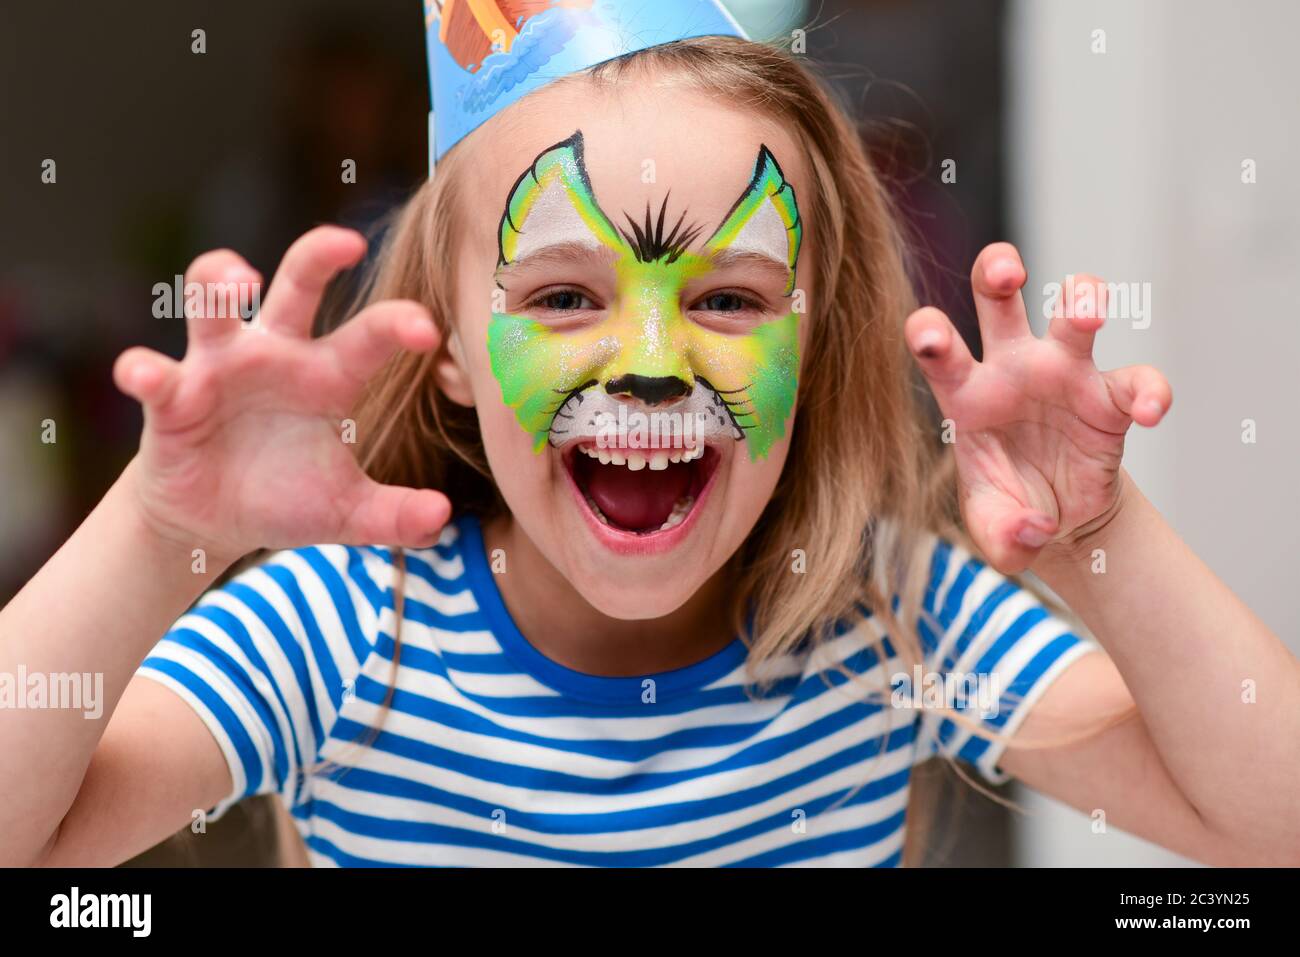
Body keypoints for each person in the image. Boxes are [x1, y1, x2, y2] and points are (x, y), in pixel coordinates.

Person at [2, 17, 1296, 867]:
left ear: (815, 333)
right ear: (443, 340)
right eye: (563, 296)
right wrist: (156, 528)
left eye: (729, 299)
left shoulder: (888, 619)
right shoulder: (348, 629)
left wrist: (1101, 541)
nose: (654, 363)